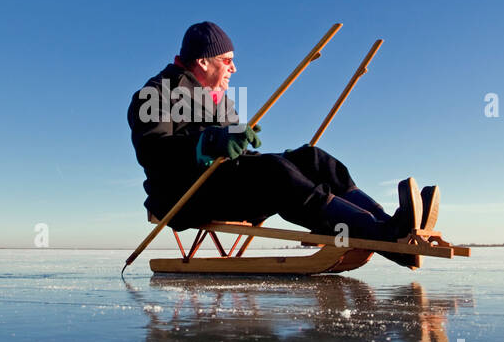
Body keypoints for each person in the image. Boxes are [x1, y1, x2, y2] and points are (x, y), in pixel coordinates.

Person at [127, 21, 439, 266]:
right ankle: (380, 234)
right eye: (227, 60)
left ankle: (391, 228)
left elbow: (238, 158)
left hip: (218, 185)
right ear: (203, 62)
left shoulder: (223, 102)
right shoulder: (154, 94)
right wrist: (213, 141)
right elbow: (154, 154)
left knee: (312, 159)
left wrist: (238, 146)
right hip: (182, 194)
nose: (233, 68)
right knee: (275, 172)